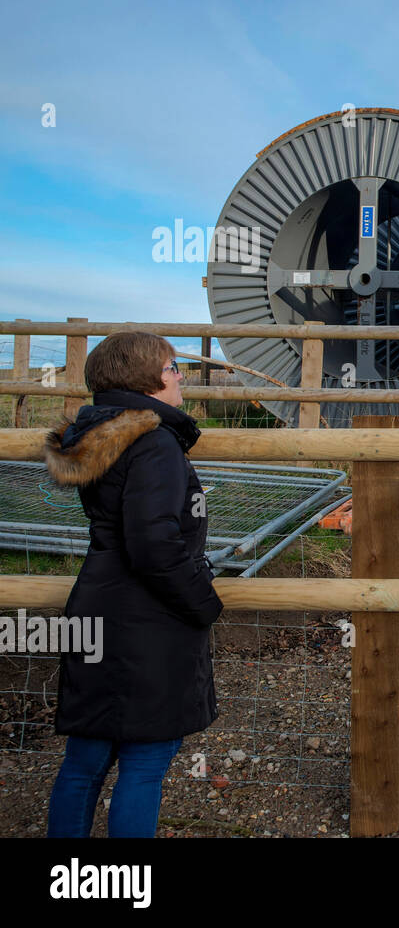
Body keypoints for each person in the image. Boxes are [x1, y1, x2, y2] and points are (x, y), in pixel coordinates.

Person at [41, 331, 224, 837]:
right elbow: (153, 544)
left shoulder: (102, 435)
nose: (179, 375)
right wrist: (204, 603)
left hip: (97, 607)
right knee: (145, 761)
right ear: (144, 378)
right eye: (171, 368)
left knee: (85, 759)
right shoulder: (154, 441)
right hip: (149, 621)